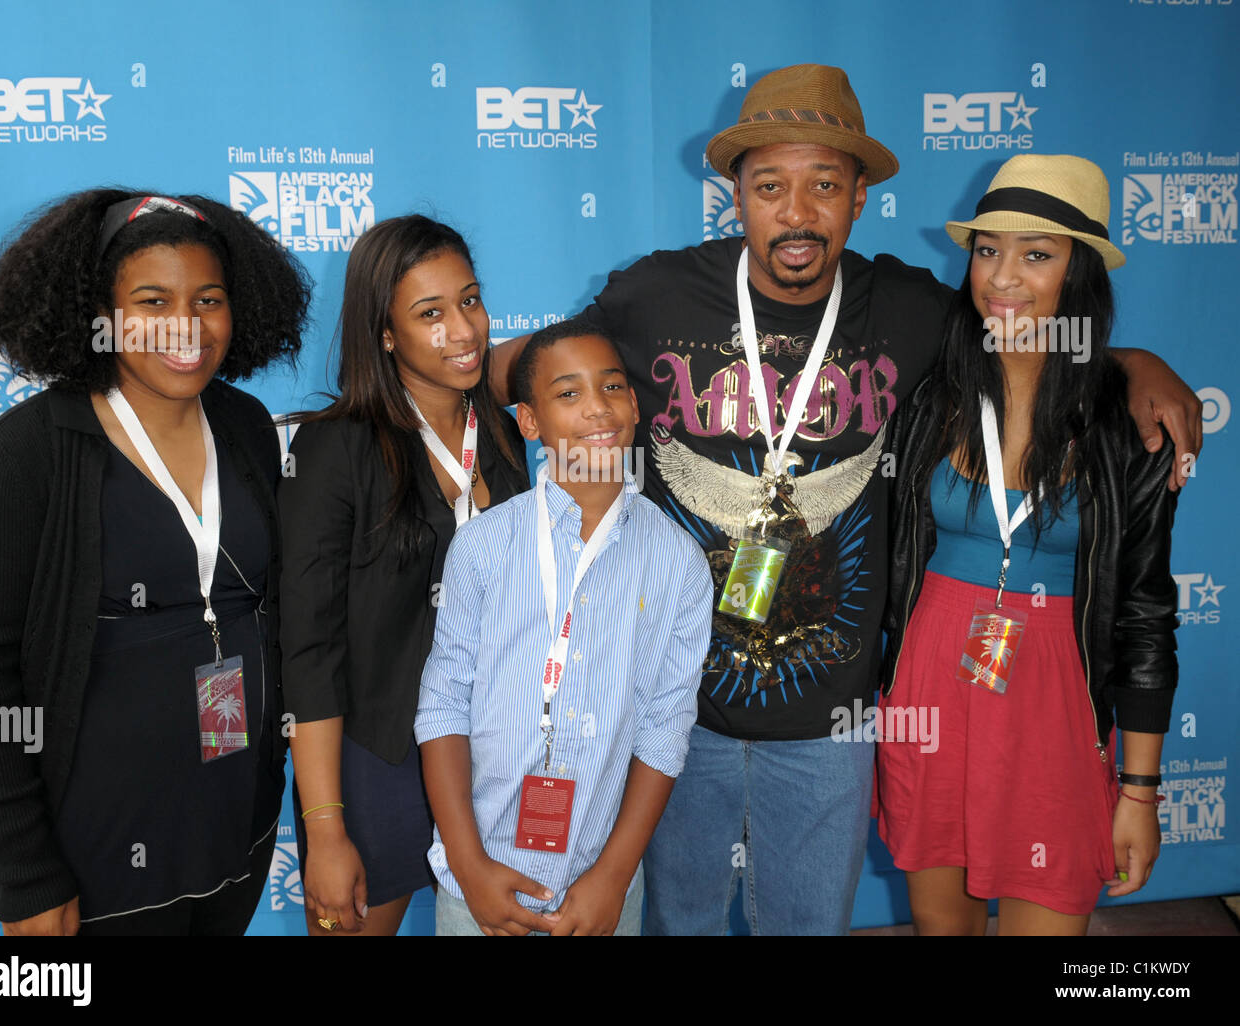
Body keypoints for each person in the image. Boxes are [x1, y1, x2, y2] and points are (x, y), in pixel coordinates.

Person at [486, 64, 1202, 935]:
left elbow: (1027, 336)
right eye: (771, 187)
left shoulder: (910, 307)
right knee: (681, 923)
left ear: (860, 197)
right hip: (672, 710)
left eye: (825, 185)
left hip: (834, 720)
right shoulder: (654, 294)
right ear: (735, 196)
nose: (797, 213)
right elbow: (536, 368)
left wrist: (1135, 367)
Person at [0, 189, 311, 935]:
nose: (186, 325)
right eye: (151, 300)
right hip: (88, 859)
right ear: (98, 316)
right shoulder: (19, 457)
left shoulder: (242, 426)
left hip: (233, 830)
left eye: (208, 298)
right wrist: (25, 866)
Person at [876, 154, 1177, 935]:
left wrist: (1139, 791)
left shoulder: (1130, 422)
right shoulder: (931, 395)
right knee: (944, 927)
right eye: (987, 250)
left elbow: (1145, 612)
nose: (1001, 278)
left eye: (1036, 254)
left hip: (1054, 699)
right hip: (933, 685)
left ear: (1079, 276)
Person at [415, 318, 713, 935]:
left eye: (611, 387)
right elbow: (444, 707)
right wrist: (468, 867)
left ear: (634, 404)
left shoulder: (677, 561)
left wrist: (612, 876)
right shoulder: (482, 546)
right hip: (482, 881)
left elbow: (664, 729)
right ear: (529, 422)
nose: (598, 410)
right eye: (568, 394)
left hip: (601, 887)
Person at [278, 215, 529, 936]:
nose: (464, 329)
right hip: (378, 757)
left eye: (471, 300)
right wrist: (325, 828)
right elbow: (310, 649)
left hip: (492, 749)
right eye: (430, 313)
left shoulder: (506, 435)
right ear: (385, 334)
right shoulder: (337, 449)